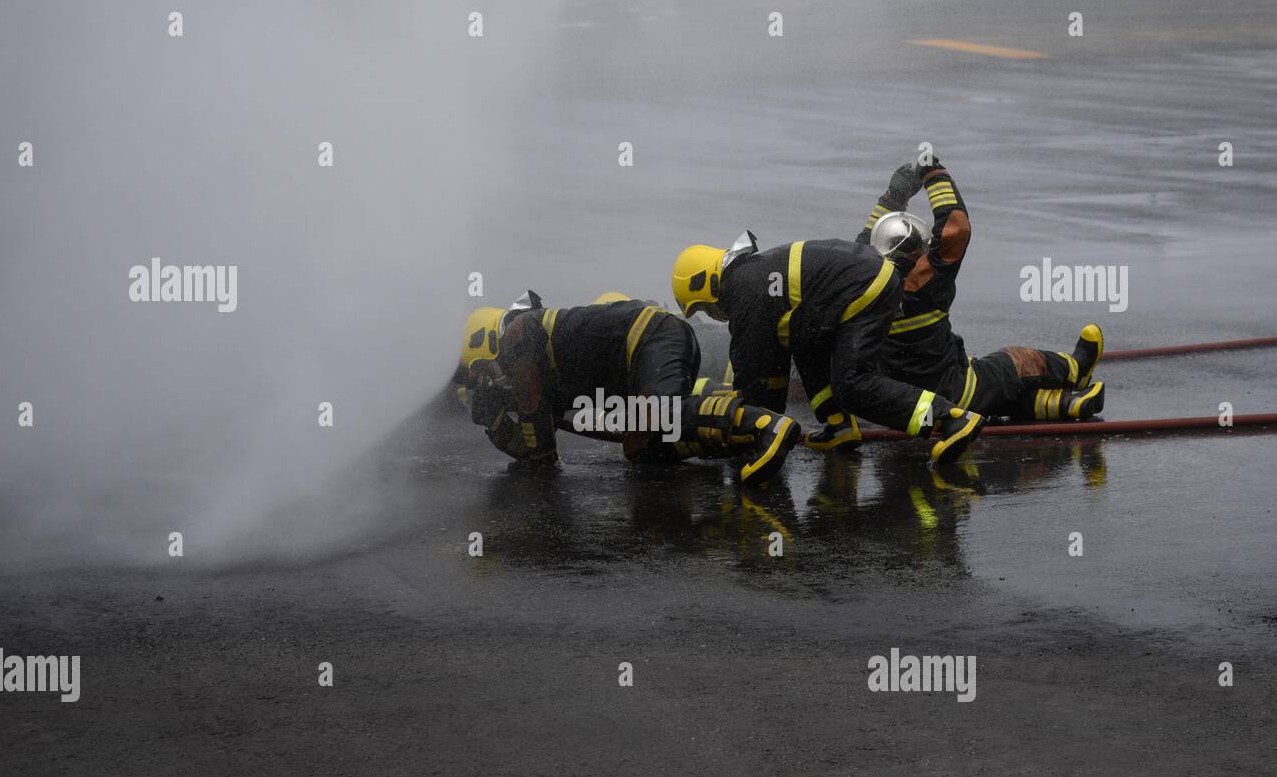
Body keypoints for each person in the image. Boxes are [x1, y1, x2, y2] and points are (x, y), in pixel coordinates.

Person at [671, 228, 985, 464]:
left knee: (854, 384)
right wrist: (765, 413)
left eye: (704, 308)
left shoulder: (745, 289)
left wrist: (751, 424)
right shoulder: (752, 277)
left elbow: (754, 367)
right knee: (804, 343)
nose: (713, 316)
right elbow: (773, 365)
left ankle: (951, 418)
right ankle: (839, 425)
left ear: (706, 283)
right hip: (859, 284)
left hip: (865, 286)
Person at [457, 290, 800, 484]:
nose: (499, 375)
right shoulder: (540, 363)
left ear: (491, 339)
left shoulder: (519, 331)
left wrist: (536, 452)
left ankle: (765, 425)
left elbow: (536, 428)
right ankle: (738, 438)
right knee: (641, 446)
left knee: (661, 413)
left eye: (489, 366)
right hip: (649, 351)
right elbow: (549, 427)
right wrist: (496, 424)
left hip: (652, 337)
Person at [858, 156, 1105, 422]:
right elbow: (955, 227)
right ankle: (1076, 370)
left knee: (998, 394)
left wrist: (895, 196)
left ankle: (1064, 404)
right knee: (1013, 363)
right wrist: (934, 173)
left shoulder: (862, 280)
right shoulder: (924, 284)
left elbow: (864, 244)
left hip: (905, 402)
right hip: (954, 392)